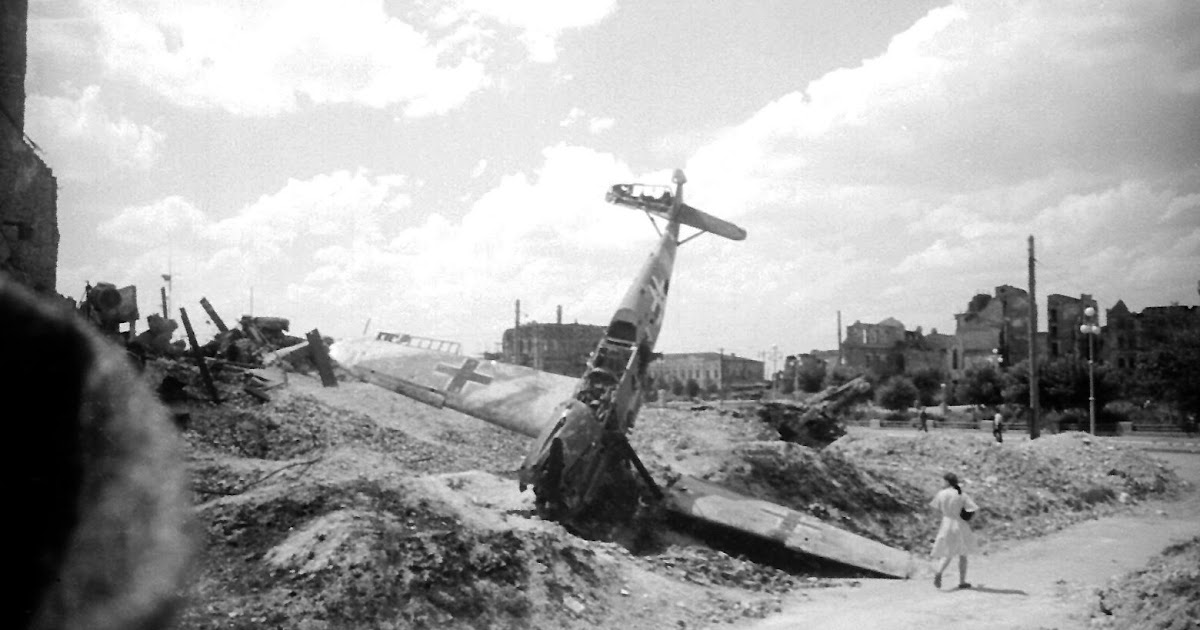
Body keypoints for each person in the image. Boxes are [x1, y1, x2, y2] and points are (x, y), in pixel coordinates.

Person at [930, 472, 978, 590]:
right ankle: (962, 581)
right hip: (960, 524)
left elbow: (934, 508)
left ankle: (939, 572)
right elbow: (974, 508)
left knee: (947, 552)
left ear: (947, 481)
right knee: (963, 553)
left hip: (946, 523)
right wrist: (968, 517)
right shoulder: (961, 494)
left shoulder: (941, 494)